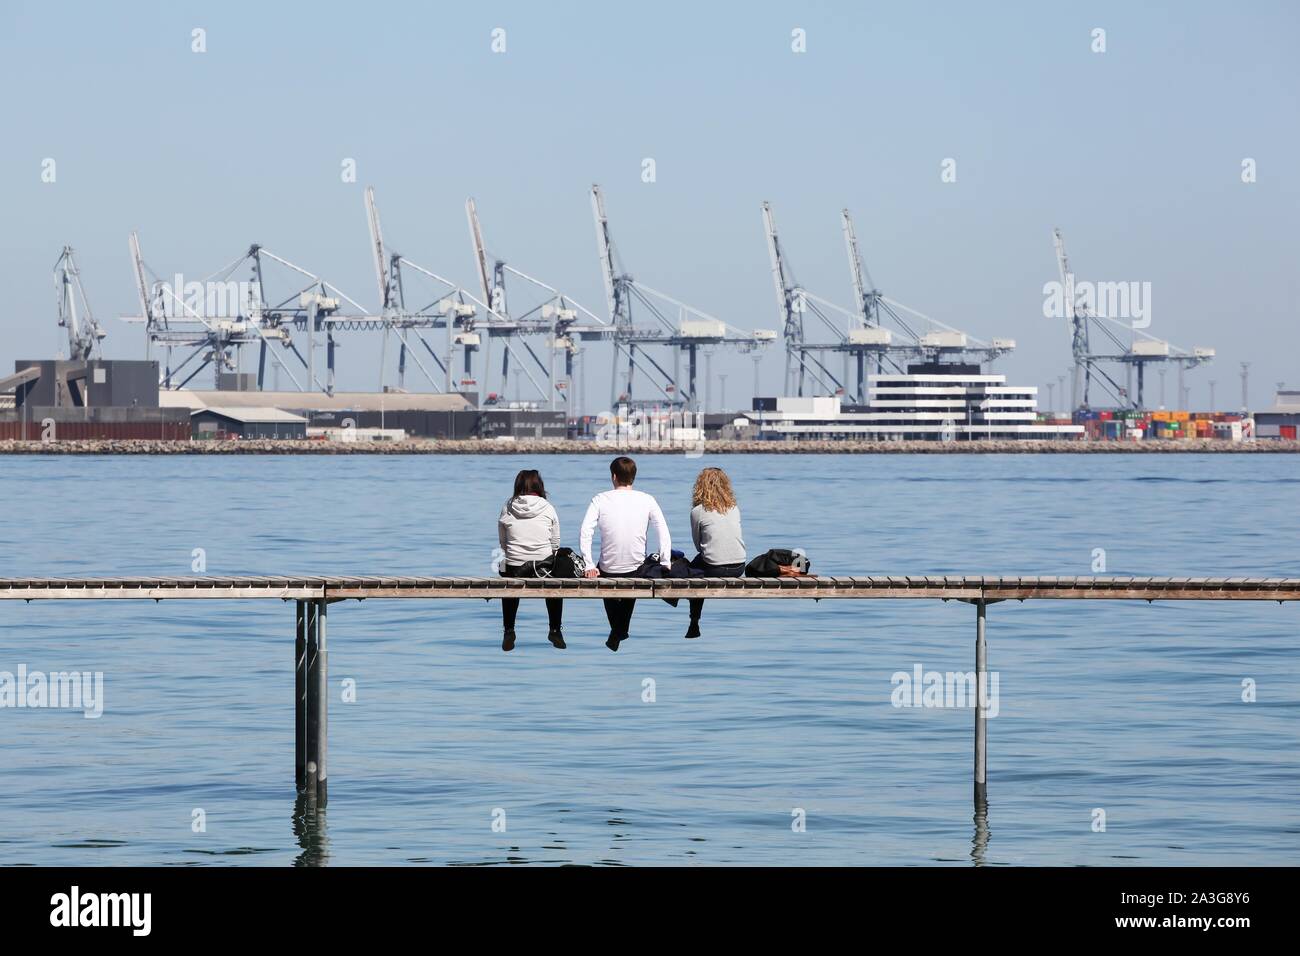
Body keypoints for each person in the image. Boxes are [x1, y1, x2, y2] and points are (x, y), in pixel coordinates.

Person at [580, 456, 671, 652]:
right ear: (633, 478)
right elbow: (662, 530)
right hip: (635, 569)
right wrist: (665, 560)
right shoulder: (647, 499)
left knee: (606, 581)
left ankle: (618, 630)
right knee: (634, 576)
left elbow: (585, 531)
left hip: (608, 568)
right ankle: (619, 630)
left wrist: (589, 565)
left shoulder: (600, 499)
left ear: (614, 477)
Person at [496, 469, 565, 652]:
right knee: (555, 583)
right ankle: (555, 629)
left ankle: (509, 629)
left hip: (514, 566)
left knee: (508, 581)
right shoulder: (547, 507)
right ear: (539, 486)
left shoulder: (507, 506)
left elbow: (503, 542)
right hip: (542, 567)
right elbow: (556, 542)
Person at [684, 467, 746, 639]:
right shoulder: (734, 508)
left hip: (713, 567)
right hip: (739, 566)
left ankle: (694, 621)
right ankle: (694, 622)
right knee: (700, 565)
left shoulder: (698, 511)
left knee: (693, 571)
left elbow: (699, 546)